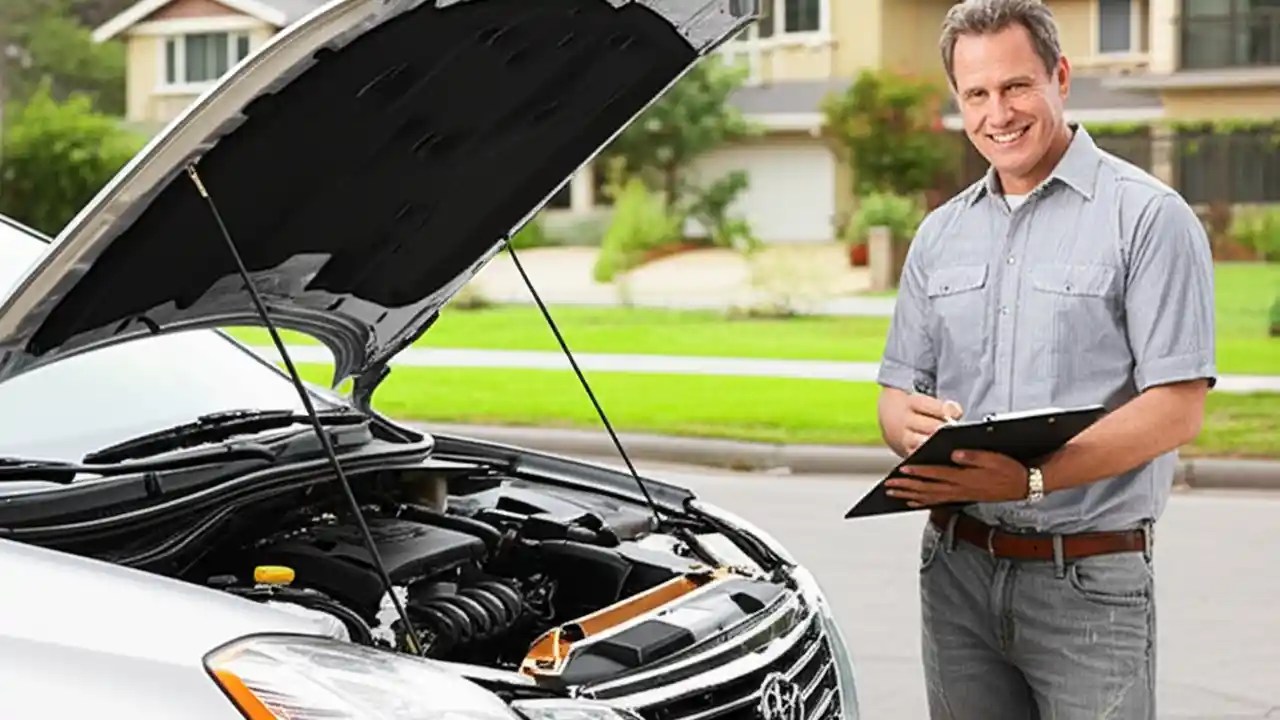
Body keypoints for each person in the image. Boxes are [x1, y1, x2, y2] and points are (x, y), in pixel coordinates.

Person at [873, 0, 1217, 718]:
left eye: (1016, 86)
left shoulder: (1149, 218)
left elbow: (1177, 407)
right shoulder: (939, 235)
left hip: (1089, 580)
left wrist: (1030, 478)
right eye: (977, 94)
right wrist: (905, 426)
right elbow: (898, 390)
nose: (998, 112)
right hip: (955, 571)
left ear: (1060, 76)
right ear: (959, 101)